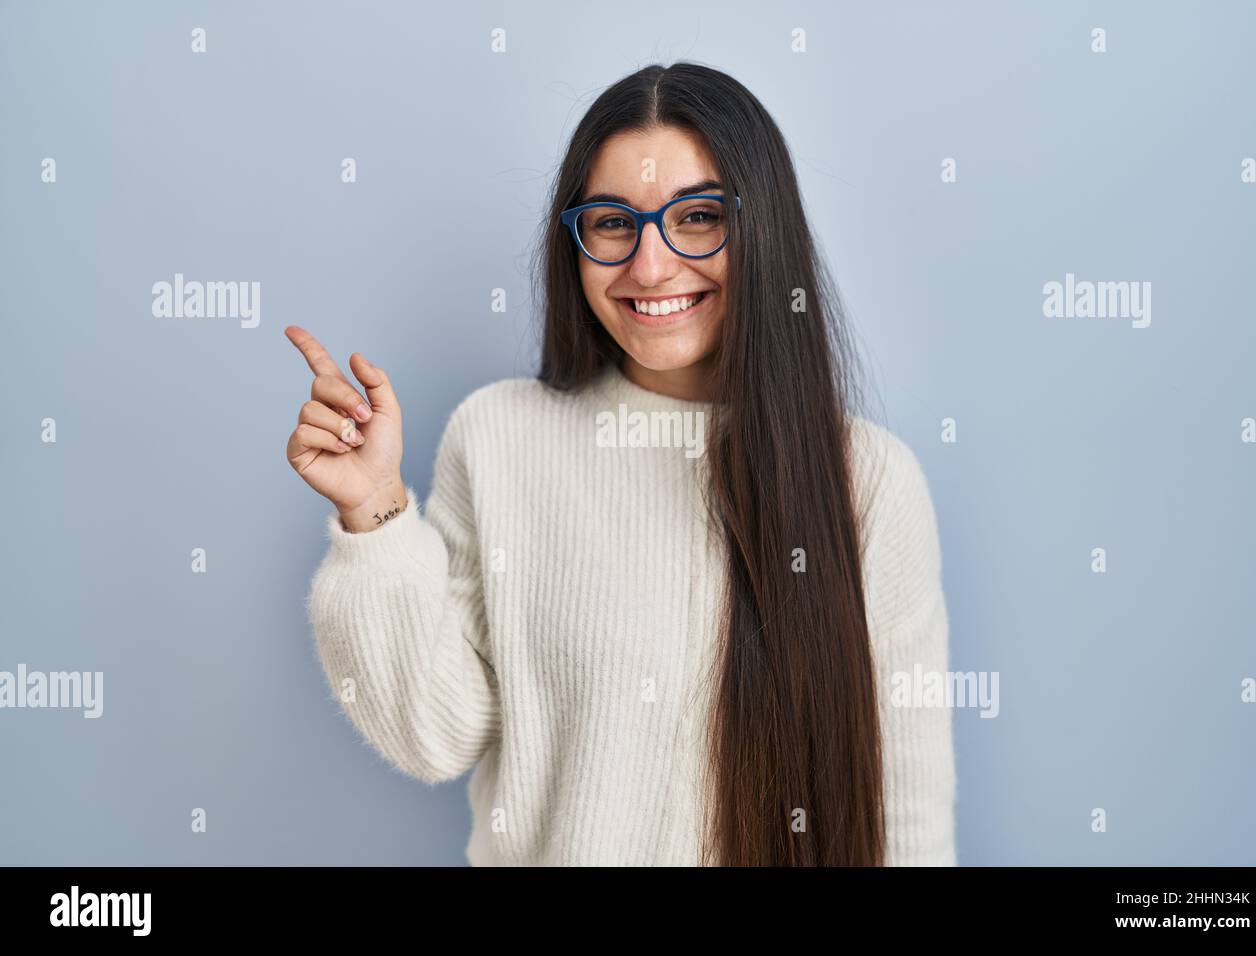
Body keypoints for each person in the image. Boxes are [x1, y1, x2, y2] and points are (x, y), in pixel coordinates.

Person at [285, 61, 956, 866]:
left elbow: (906, 822)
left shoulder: (870, 482)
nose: (650, 265)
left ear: (766, 229)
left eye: (700, 216)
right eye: (612, 222)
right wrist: (376, 514)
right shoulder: (498, 437)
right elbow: (438, 733)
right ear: (574, 240)